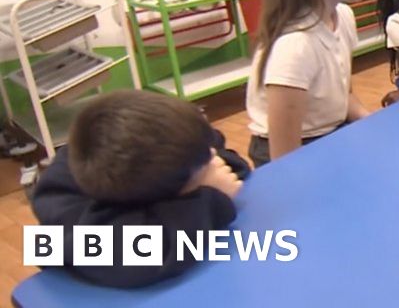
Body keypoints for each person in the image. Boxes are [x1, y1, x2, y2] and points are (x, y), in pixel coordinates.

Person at [31, 90, 250, 288]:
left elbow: (227, 160)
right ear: (158, 195)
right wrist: (211, 199)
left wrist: (204, 179)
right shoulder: (65, 214)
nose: (214, 159)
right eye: (203, 167)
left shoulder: (157, 141)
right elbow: (137, 260)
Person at [245, 0, 375, 167]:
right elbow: (284, 160)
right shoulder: (295, 46)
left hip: (329, 133)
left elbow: (342, 95)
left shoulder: (343, 17)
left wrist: (370, 121)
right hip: (289, 151)